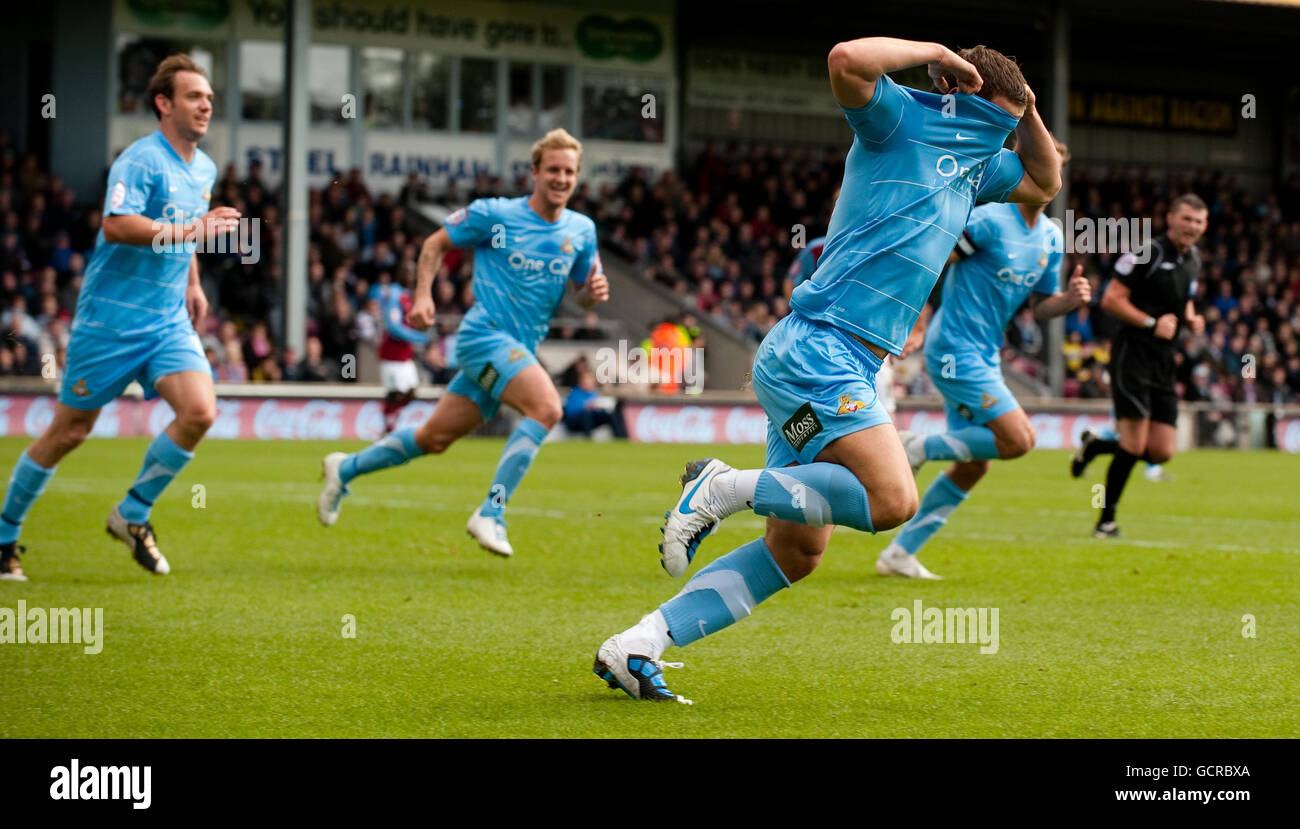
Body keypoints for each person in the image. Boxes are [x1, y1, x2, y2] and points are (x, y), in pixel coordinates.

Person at [593, 37, 1061, 702]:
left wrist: (1030, 109)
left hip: (828, 363)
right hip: (824, 347)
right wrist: (932, 51)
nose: (1006, 137)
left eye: (1011, 128)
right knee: (892, 498)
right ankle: (723, 486)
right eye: (1000, 121)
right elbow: (845, 58)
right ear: (959, 95)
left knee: (796, 553)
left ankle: (638, 643)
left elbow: (1046, 180)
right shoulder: (899, 117)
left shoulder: (979, 165)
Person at [317, 128, 609, 557]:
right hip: (483, 336)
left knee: (434, 438)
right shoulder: (496, 215)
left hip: (520, 346)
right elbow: (435, 243)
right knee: (547, 408)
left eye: (569, 171)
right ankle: (492, 512)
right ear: (535, 172)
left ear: (577, 176)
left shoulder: (582, 230)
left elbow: (583, 291)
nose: (561, 178)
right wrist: (421, 295)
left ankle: (345, 468)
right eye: (553, 170)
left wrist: (592, 293)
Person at [0, 55, 235, 581]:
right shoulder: (140, 161)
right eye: (195, 96)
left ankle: (132, 513)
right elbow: (118, 226)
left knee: (200, 412)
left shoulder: (204, 167)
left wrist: (194, 282)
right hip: (109, 323)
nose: (206, 106)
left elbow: (184, 227)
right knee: (70, 432)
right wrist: (196, 231)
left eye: (209, 98)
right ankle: (3, 537)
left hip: (167, 321)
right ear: (164, 103)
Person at [878, 135, 1089, 579]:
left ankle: (898, 555)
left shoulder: (1051, 238)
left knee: (974, 466)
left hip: (985, 354)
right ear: (1022, 168)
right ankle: (914, 445)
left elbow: (1041, 306)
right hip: (954, 348)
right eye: (1041, 164)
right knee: (1019, 440)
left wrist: (1068, 301)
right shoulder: (988, 220)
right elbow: (933, 261)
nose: (1050, 175)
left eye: (1057, 168)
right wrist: (915, 319)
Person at [1069, 194, 1207, 537]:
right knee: (1132, 445)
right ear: (1170, 218)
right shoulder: (1148, 252)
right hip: (1132, 354)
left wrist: (1191, 318)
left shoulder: (1194, 260)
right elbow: (1111, 299)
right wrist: (1149, 323)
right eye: (1187, 219)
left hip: (1163, 360)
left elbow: (1185, 296)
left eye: (1199, 221)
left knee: (1161, 452)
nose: (1192, 227)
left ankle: (1096, 446)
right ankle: (1106, 521)